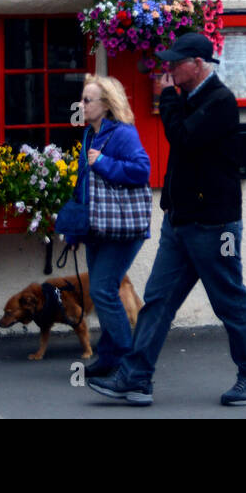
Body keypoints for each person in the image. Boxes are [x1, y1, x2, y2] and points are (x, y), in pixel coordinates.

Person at [88, 32, 246, 406]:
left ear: (198, 65)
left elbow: (182, 138)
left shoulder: (219, 101)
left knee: (229, 301)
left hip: (214, 224)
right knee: (157, 301)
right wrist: (170, 203)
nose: (168, 68)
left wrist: (167, 97)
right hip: (182, 221)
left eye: (176, 62)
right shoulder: (190, 97)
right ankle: (136, 378)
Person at [72, 74, 152, 379]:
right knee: (102, 288)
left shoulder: (123, 134)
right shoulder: (90, 135)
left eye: (87, 100)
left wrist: (103, 162)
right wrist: (75, 229)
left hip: (123, 228)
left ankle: (125, 360)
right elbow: (84, 183)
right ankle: (109, 357)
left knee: (104, 290)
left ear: (106, 105)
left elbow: (142, 170)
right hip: (98, 228)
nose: (81, 105)